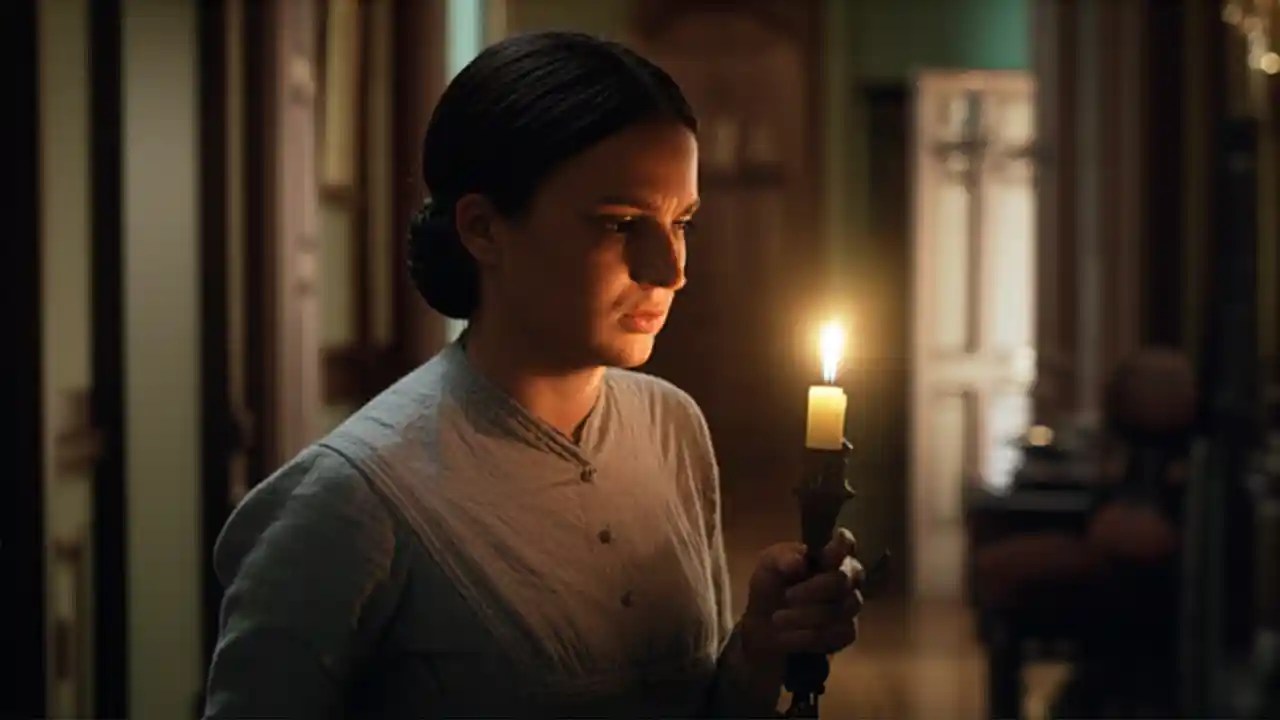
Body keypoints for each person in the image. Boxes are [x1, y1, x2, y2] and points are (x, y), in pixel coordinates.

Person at [203, 31, 864, 719]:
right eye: (619, 224)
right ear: (483, 229)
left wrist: (759, 645)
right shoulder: (356, 498)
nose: (671, 270)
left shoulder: (671, 426)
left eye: (682, 223)